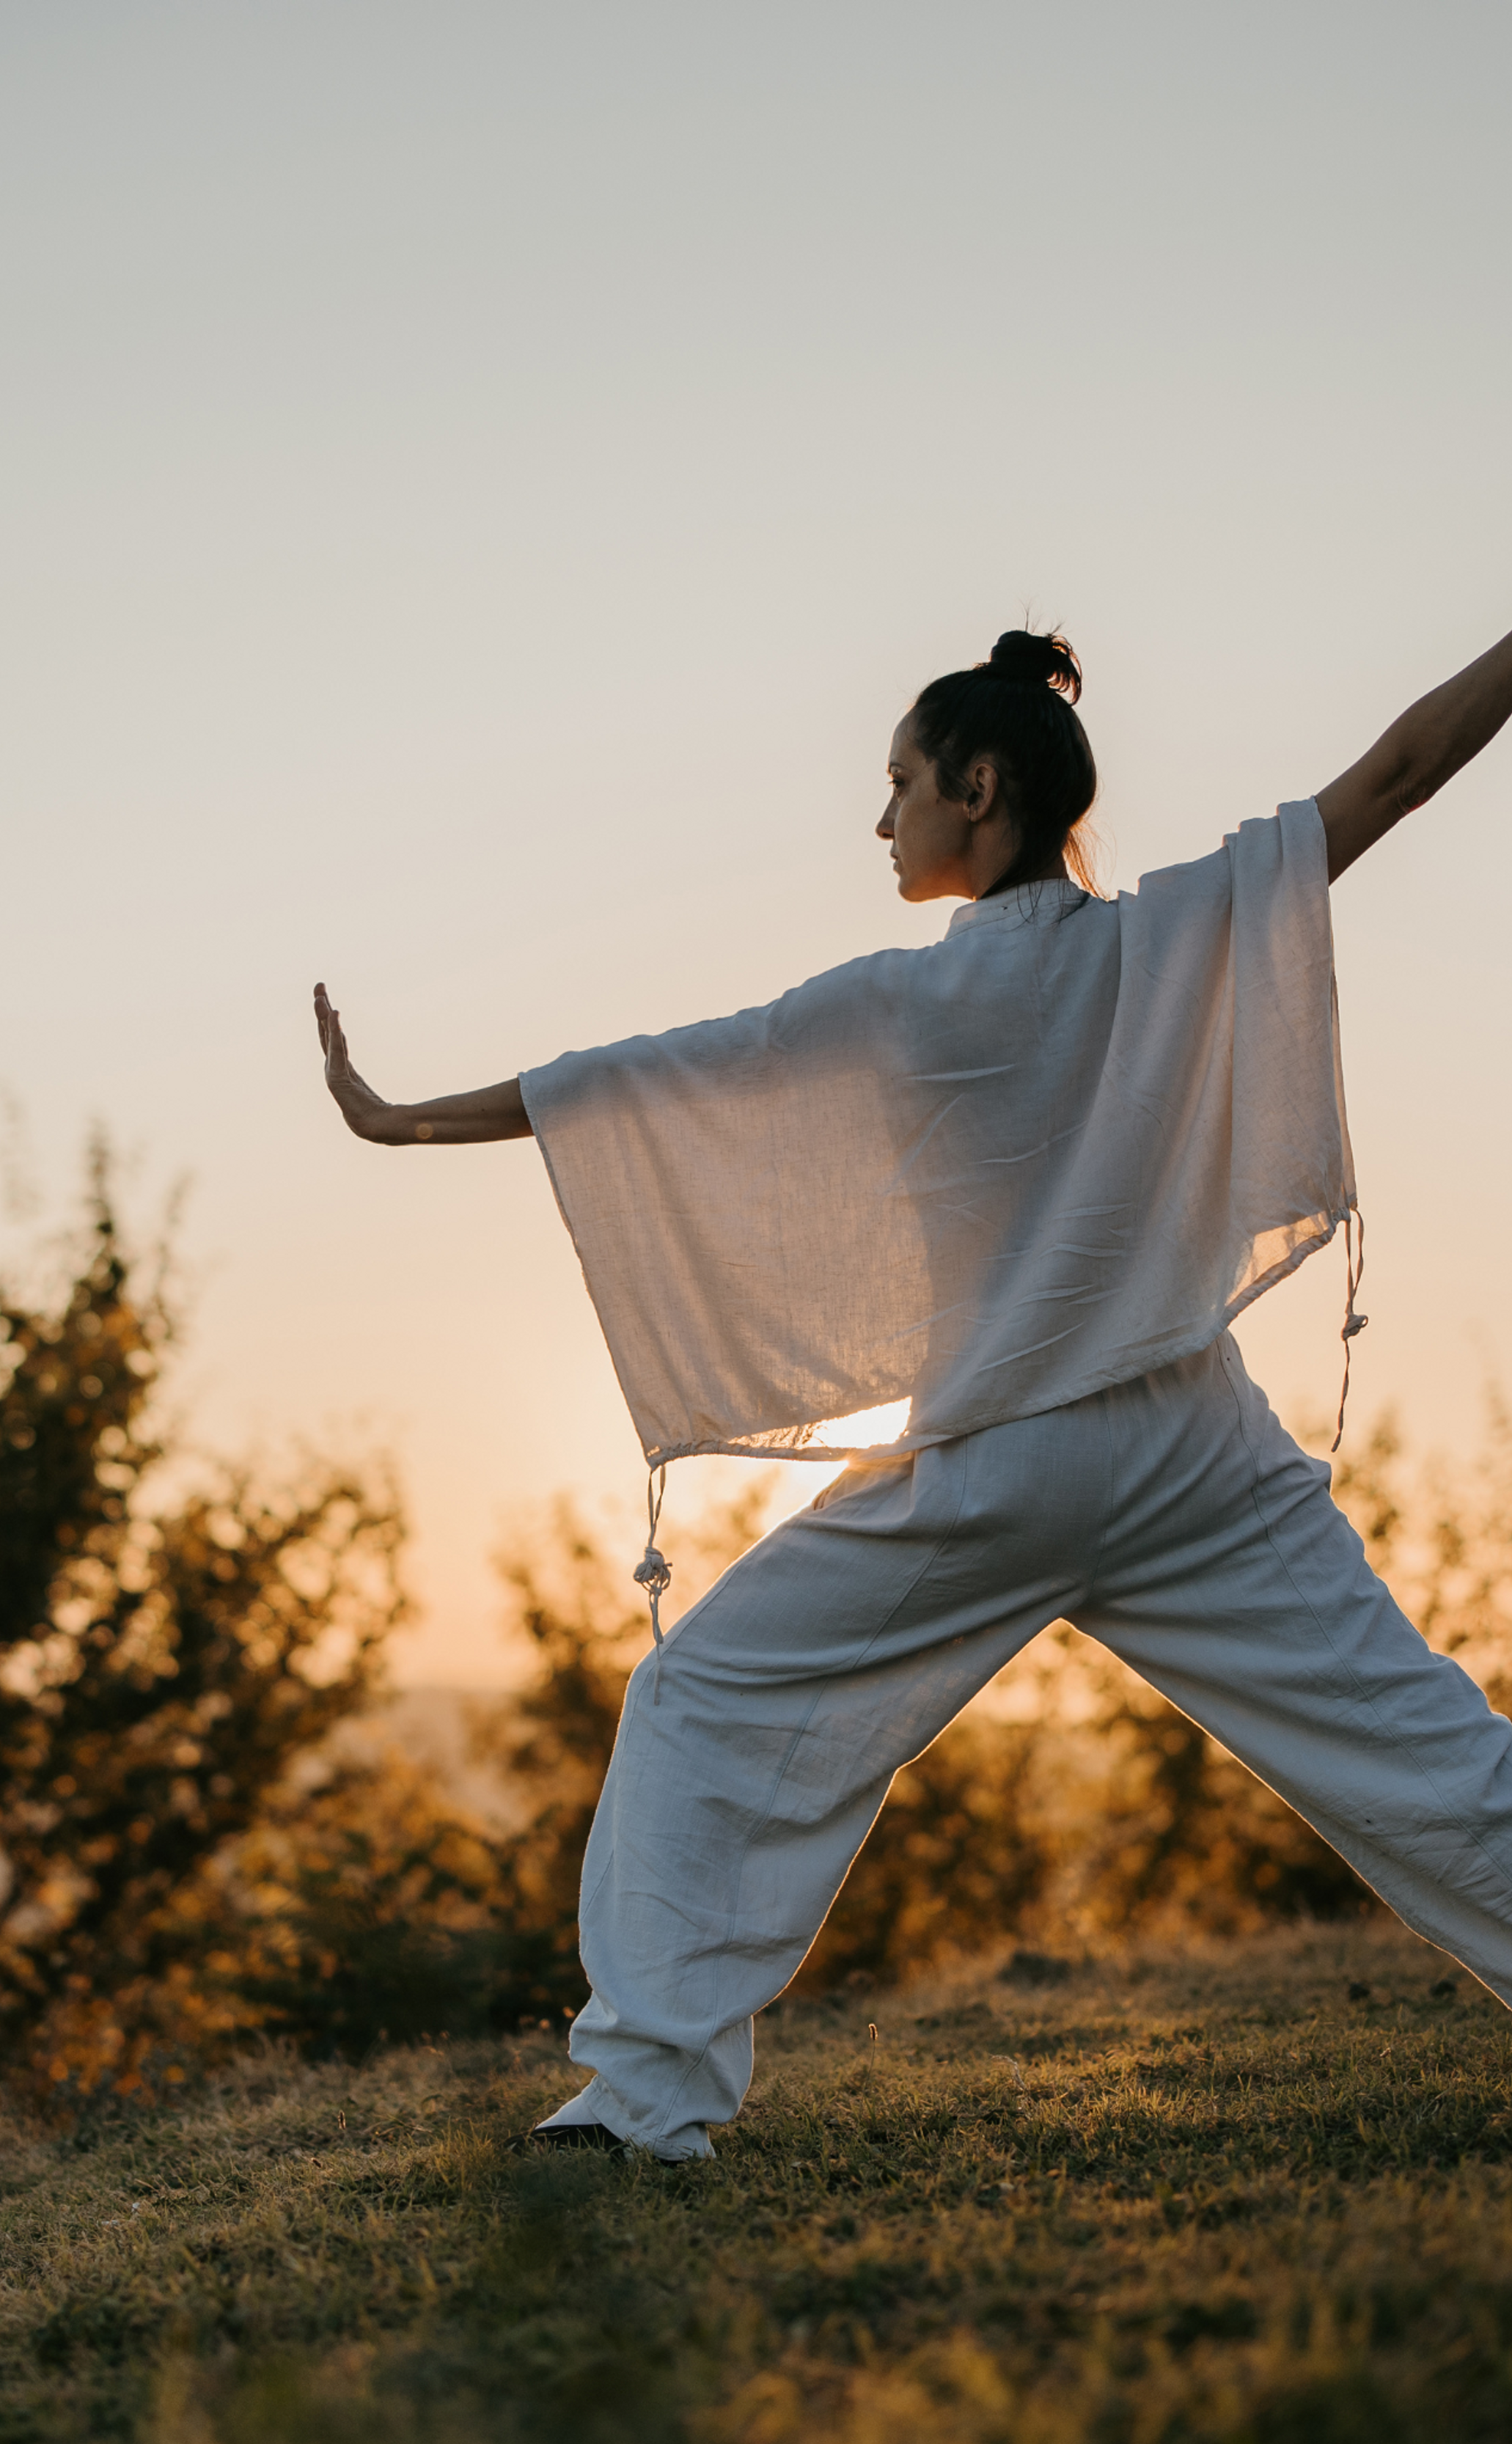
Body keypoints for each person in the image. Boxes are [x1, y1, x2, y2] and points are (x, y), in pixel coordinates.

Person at [315, 623, 1512, 2162]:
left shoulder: (893, 1002)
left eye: (898, 785)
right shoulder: (1174, 934)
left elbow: (645, 1080)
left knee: (698, 1700)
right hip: (1190, 1452)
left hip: (999, 1465)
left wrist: (406, 1119)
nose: (879, 821)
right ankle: (640, 2095)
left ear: (980, 784)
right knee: (1419, 1751)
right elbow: (1397, 772)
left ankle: (639, 2100)